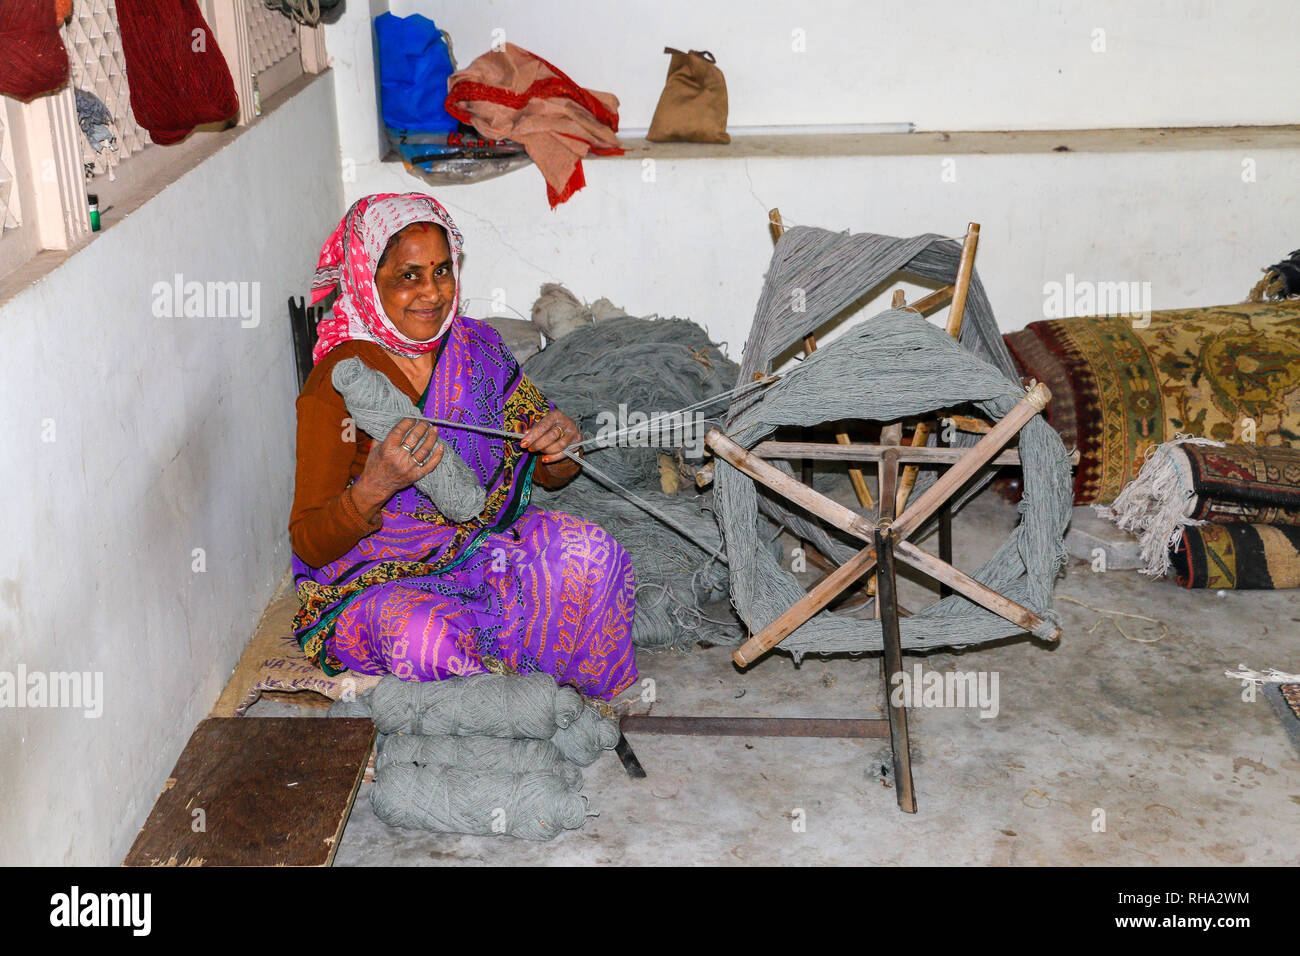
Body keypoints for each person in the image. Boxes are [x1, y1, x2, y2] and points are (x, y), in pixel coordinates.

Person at [289, 192, 637, 700]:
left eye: (442, 271)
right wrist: (375, 487)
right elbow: (308, 541)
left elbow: (545, 470)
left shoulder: (476, 347)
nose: (432, 294)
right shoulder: (337, 384)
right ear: (367, 280)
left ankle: (531, 688)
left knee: (593, 557)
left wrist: (561, 446)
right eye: (408, 276)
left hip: (485, 546)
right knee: (422, 639)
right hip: (381, 574)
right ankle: (512, 703)